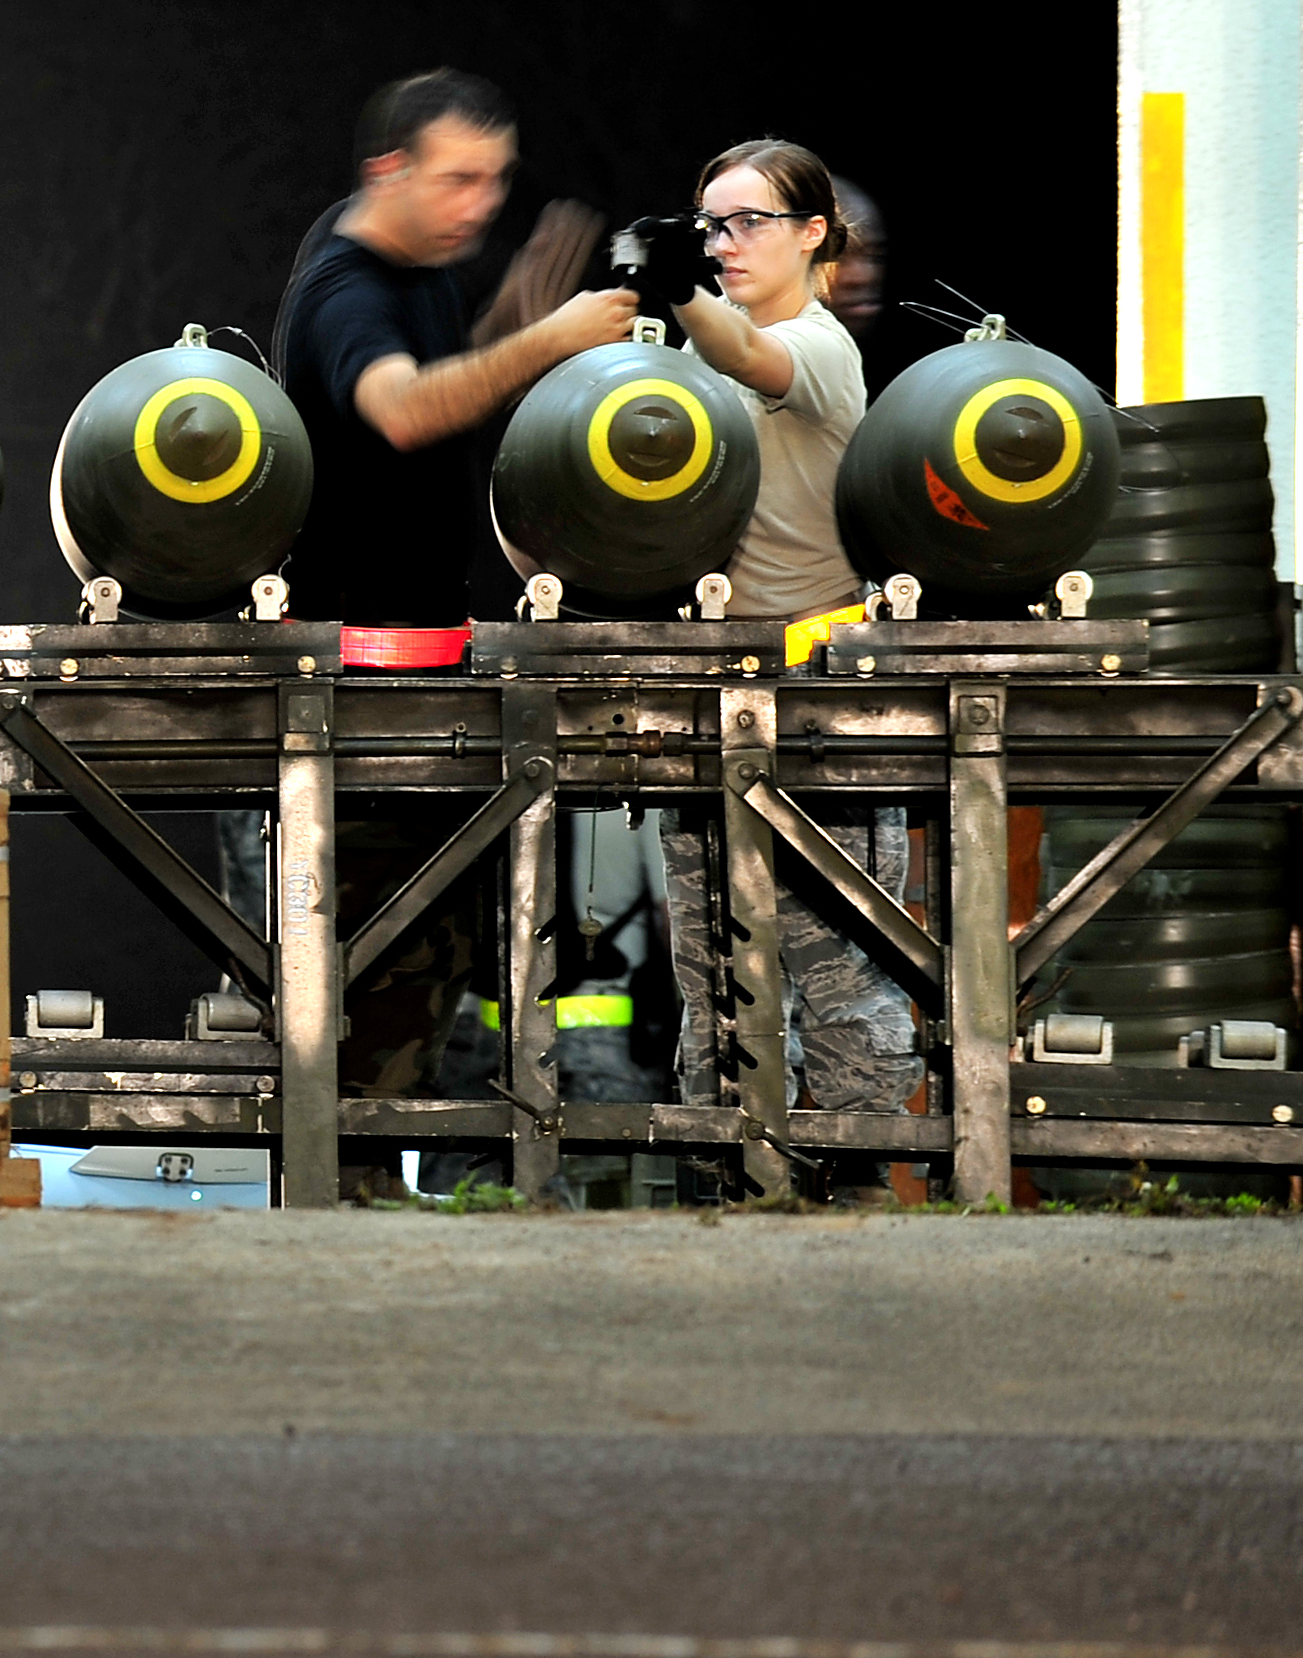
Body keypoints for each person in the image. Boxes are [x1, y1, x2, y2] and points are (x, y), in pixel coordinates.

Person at [264, 71, 636, 1193]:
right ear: (389, 171)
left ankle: (383, 1185)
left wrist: (513, 318)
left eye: (496, 180)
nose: (482, 203)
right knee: (372, 952)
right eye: (459, 179)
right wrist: (546, 338)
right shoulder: (345, 287)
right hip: (353, 680)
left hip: (419, 661)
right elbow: (402, 406)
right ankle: (344, 1193)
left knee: (439, 952)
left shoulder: (413, 266)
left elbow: (437, 380)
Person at [645, 138, 919, 1193]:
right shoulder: (690, 359)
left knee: (839, 971)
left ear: (813, 236)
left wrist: (677, 290)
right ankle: (726, 1185)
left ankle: (851, 1188)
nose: (726, 242)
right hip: (714, 688)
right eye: (710, 226)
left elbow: (753, 360)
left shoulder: (816, 347)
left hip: (820, 699)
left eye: (749, 221)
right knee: (714, 970)